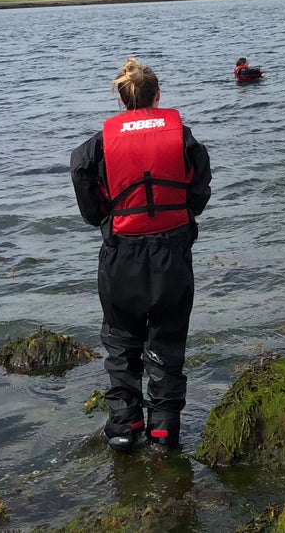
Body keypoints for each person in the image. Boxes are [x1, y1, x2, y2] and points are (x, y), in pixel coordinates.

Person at [70, 57, 212, 454]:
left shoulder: (99, 143)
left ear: (121, 98)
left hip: (121, 259)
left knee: (120, 342)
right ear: (157, 95)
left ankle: (123, 427)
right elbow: (200, 189)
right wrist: (182, 216)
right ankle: (164, 432)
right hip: (171, 257)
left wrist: (102, 215)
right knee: (166, 344)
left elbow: (80, 173)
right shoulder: (182, 137)